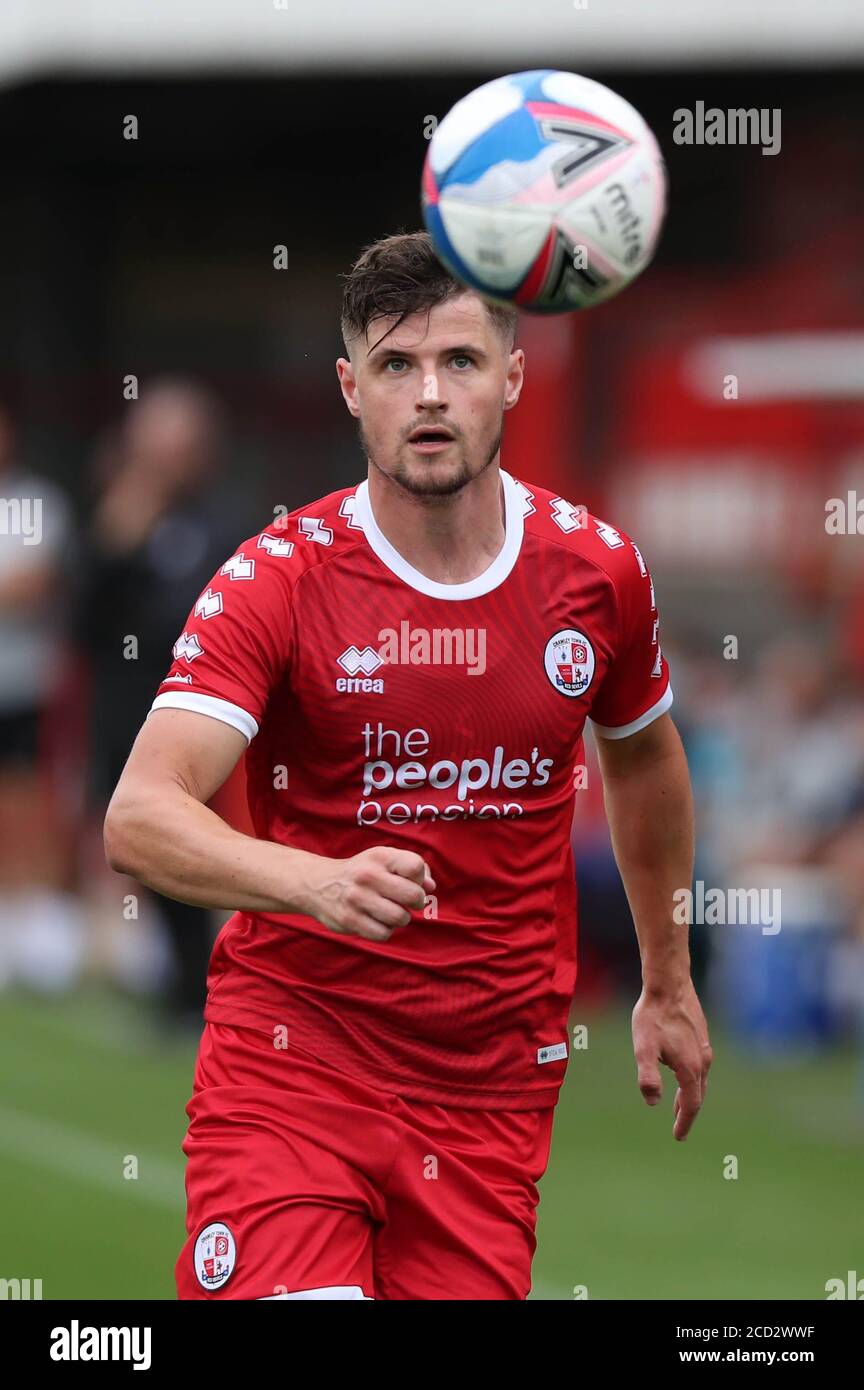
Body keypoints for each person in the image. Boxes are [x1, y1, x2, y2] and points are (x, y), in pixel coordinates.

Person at [103, 232, 712, 1301]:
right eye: (395, 366)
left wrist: (667, 976)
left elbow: (648, 762)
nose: (430, 394)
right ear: (351, 388)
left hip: (488, 1097)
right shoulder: (276, 580)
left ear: (513, 377)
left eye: (461, 362)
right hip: (297, 1059)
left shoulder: (596, 570)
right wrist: (314, 883)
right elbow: (140, 815)